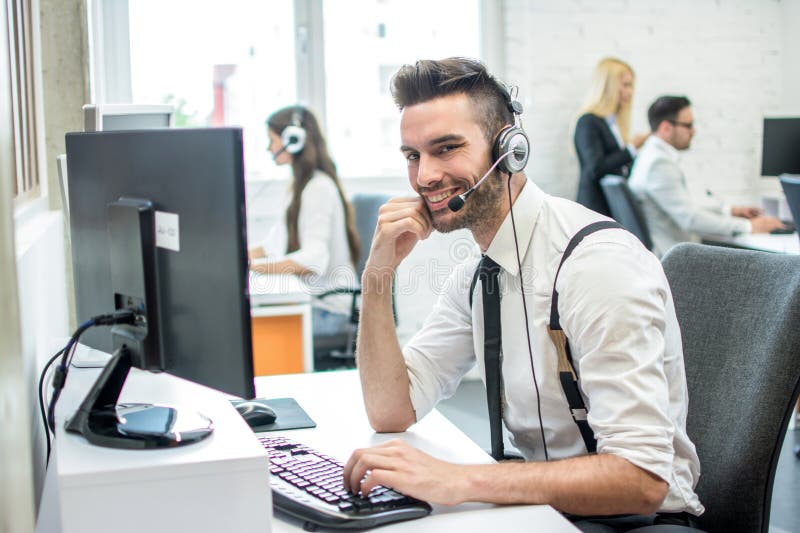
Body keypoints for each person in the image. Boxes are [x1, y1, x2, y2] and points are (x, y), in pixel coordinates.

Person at [342, 57, 704, 532]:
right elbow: (392, 409)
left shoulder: (595, 266)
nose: (425, 176)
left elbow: (641, 479)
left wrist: (463, 481)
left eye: (446, 149)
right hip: (550, 513)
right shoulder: (480, 273)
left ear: (511, 150)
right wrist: (377, 274)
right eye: (413, 155)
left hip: (642, 523)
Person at [249, 105, 360, 338]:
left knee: (255, 331)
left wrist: (256, 268)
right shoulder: (299, 187)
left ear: (293, 140)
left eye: (272, 140)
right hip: (314, 303)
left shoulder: (318, 188)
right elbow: (273, 245)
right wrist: (241, 256)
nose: (269, 148)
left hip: (330, 309)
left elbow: (313, 260)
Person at [629, 96, 785, 257]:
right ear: (666, 128)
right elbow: (690, 219)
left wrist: (729, 211)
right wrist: (749, 226)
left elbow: (683, 209)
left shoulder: (648, 156)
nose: (694, 131)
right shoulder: (658, 164)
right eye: (688, 125)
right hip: (675, 261)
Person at [575, 58, 650, 216]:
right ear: (608, 86)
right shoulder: (588, 122)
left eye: (631, 86)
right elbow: (595, 168)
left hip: (613, 208)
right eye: (626, 85)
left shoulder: (614, 123)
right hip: (594, 209)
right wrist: (630, 149)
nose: (630, 92)